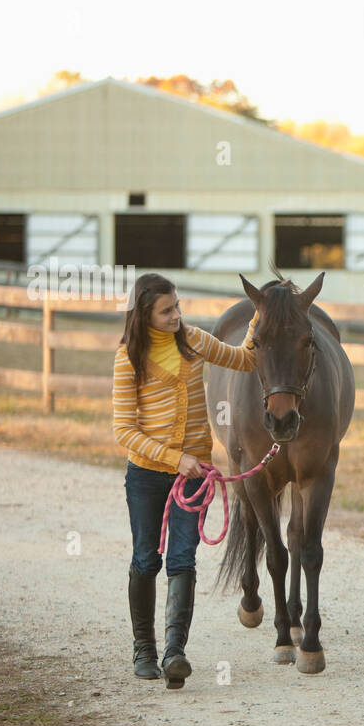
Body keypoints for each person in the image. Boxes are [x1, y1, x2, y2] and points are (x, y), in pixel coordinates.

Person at [112, 273, 261, 688]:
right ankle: (144, 649)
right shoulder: (128, 358)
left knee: (182, 559)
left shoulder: (194, 340)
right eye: (166, 310)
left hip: (193, 476)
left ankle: (174, 653)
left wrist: (259, 319)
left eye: (177, 306)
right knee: (146, 559)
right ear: (144, 316)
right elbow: (124, 430)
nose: (177, 315)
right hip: (147, 474)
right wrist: (175, 459)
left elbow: (245, 359)